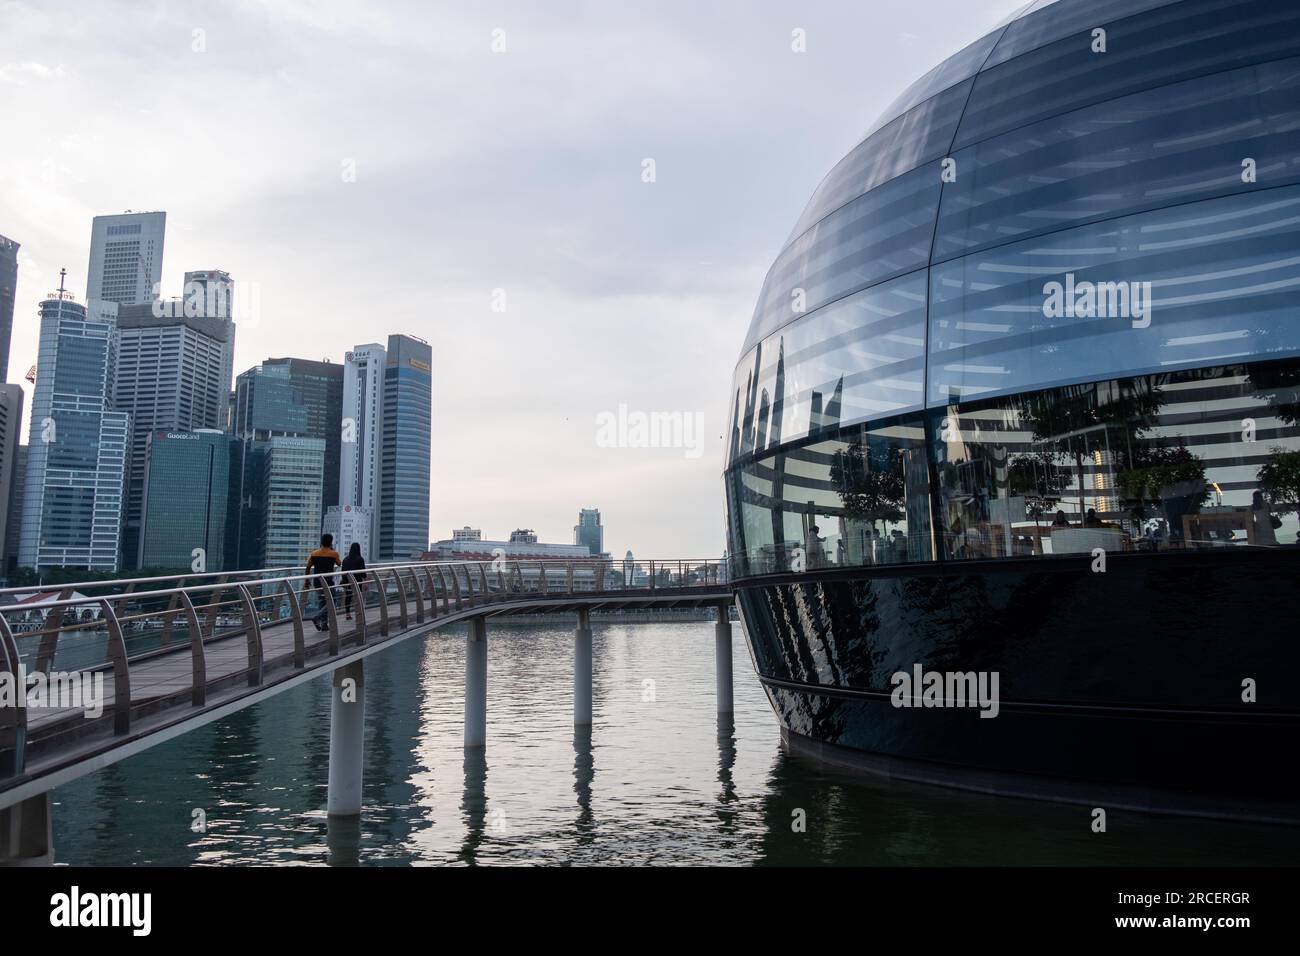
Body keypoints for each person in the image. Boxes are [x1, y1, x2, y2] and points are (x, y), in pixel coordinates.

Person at [305, 533, 341, 611]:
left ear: (321, 542)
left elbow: (308, 567)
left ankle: (322, 621)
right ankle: (320, 618)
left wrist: (307, 581)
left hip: (317, 582)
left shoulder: (314, 553)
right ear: (331, 542)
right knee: (332, 600)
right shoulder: (334, 554)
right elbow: (339, 563)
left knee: (322, 601)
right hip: (328, 582)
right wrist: (332, 550)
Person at [341, 542, 367, 620]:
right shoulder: (360, 559)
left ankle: (347, 614)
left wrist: (344, 580)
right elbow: (363, 572)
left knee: (348, 596)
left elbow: (343, 571)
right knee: (358, 596)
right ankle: (358, 612)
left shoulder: (345, 559)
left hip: (348, 581)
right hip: (357, 581)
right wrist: (365, 582)